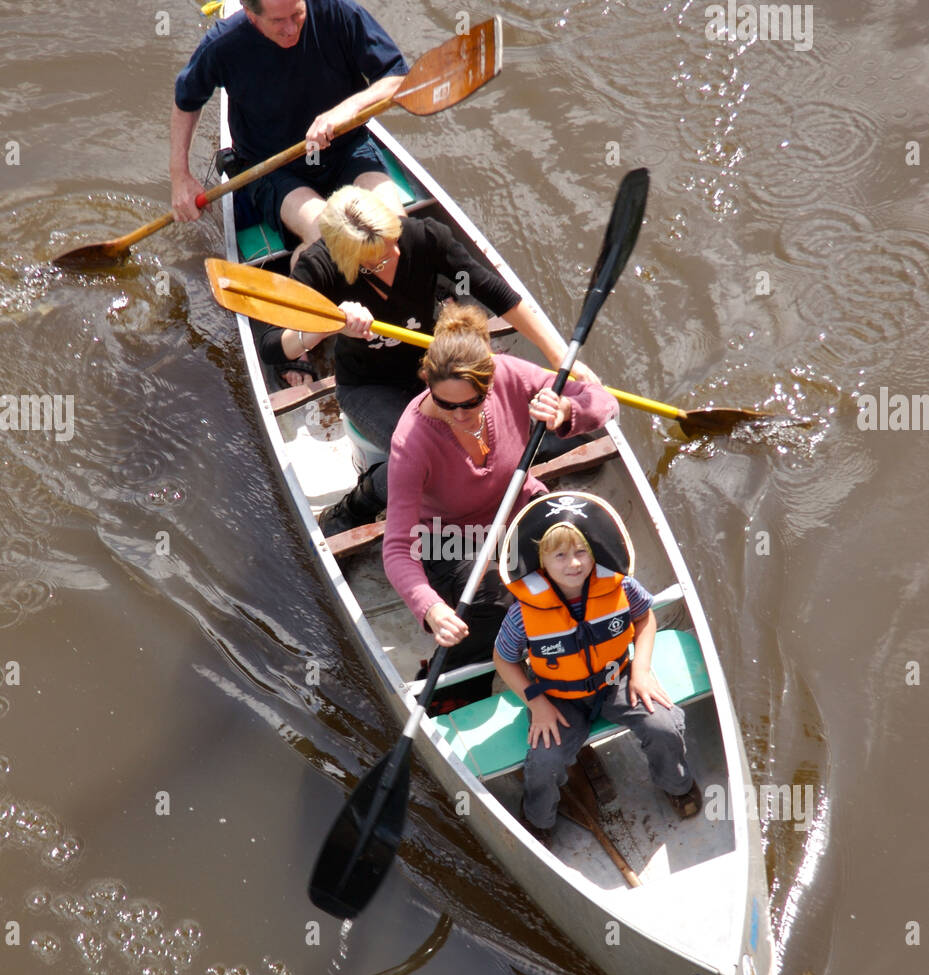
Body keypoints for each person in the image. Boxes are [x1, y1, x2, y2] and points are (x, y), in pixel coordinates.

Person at [257, 186, 592, 532]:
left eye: (394, 242)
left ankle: (532, 442)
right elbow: (270, 343)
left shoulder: (423, 236)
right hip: (370, 386)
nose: (396, 256)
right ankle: (361, 502)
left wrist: (561, 356)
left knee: (487, 425)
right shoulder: (320, 267)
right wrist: (326, 326)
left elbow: (495, 291)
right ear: (349, 259)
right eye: (380, 260)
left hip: (436, 367)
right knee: (433, 452)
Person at [382, 304, 618, 674]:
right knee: (494, 603)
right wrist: (430, 606)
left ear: (490, 380)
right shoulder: (409, 444)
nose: (459, 415)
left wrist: (566, 411)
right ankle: (454, 679)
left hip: (521, 507)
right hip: (451, 539)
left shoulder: (508, 373)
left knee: (595, 554)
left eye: (471, 403)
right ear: (427, 380)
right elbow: (397, 546)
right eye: (446, 404)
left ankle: (594, 644)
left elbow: (603, 400)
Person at [492, 491, 701, 842]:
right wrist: (536, 704)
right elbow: (504, 659)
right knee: (544, 763)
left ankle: (677, 784)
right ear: (541, 560)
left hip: (617, 680)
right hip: (557, 698)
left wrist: (641, 670)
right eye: (559, 555)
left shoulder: (622, 587)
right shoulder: (521, 614)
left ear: (594, 552)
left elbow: (645, 619)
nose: (573, 563)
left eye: (581, 552)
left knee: (664, 726)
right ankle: (538, 820)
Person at [170, 0, 407, 248]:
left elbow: (397, 79)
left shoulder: (337, 11)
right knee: (331, 238)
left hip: (347, 148)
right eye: (277, 21)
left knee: (395, 228)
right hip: (273, 168)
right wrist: (180, 176)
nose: (291, 29)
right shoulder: (223, 45)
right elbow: (186, 102)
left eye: (297, 13)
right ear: (250, 13)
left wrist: (343, 112)